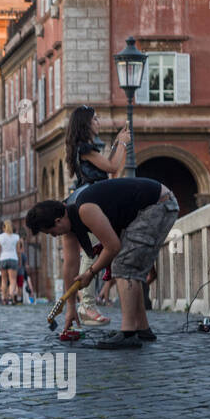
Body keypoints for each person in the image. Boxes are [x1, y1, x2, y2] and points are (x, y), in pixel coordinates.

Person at [26, 177, 180, 348]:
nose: (54, 236)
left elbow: (113, 246)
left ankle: (128, 333)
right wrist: (70, 306)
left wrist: (90, 273)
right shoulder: (68, 218)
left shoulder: (84, 209)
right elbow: (70, 266)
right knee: (129, 267)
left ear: (57, 221)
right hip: (149, 208)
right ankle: (142, 329)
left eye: (51, 232)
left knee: (123, 266)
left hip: (159, 205)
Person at [64, 105, 130, 325]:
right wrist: (121, 143)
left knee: (90, 252)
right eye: (95, 119)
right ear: (85, 124)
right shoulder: (84, 148)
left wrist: (118, 144)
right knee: (90, 253)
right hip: (89, 203)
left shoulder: (84, 148)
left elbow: (111, 167)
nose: (98, 122)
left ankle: (86, 305)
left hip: (88, 201)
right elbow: (111, 167)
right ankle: (87, 306)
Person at [0, 219, 22, 305]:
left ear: (3, 227)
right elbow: (18, 251)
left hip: (3, 258)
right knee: (13, 280)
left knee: (4, 280)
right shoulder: (16, 237)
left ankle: (4, 298)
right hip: (13, 258)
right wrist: (20, 260)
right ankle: (11, 297)